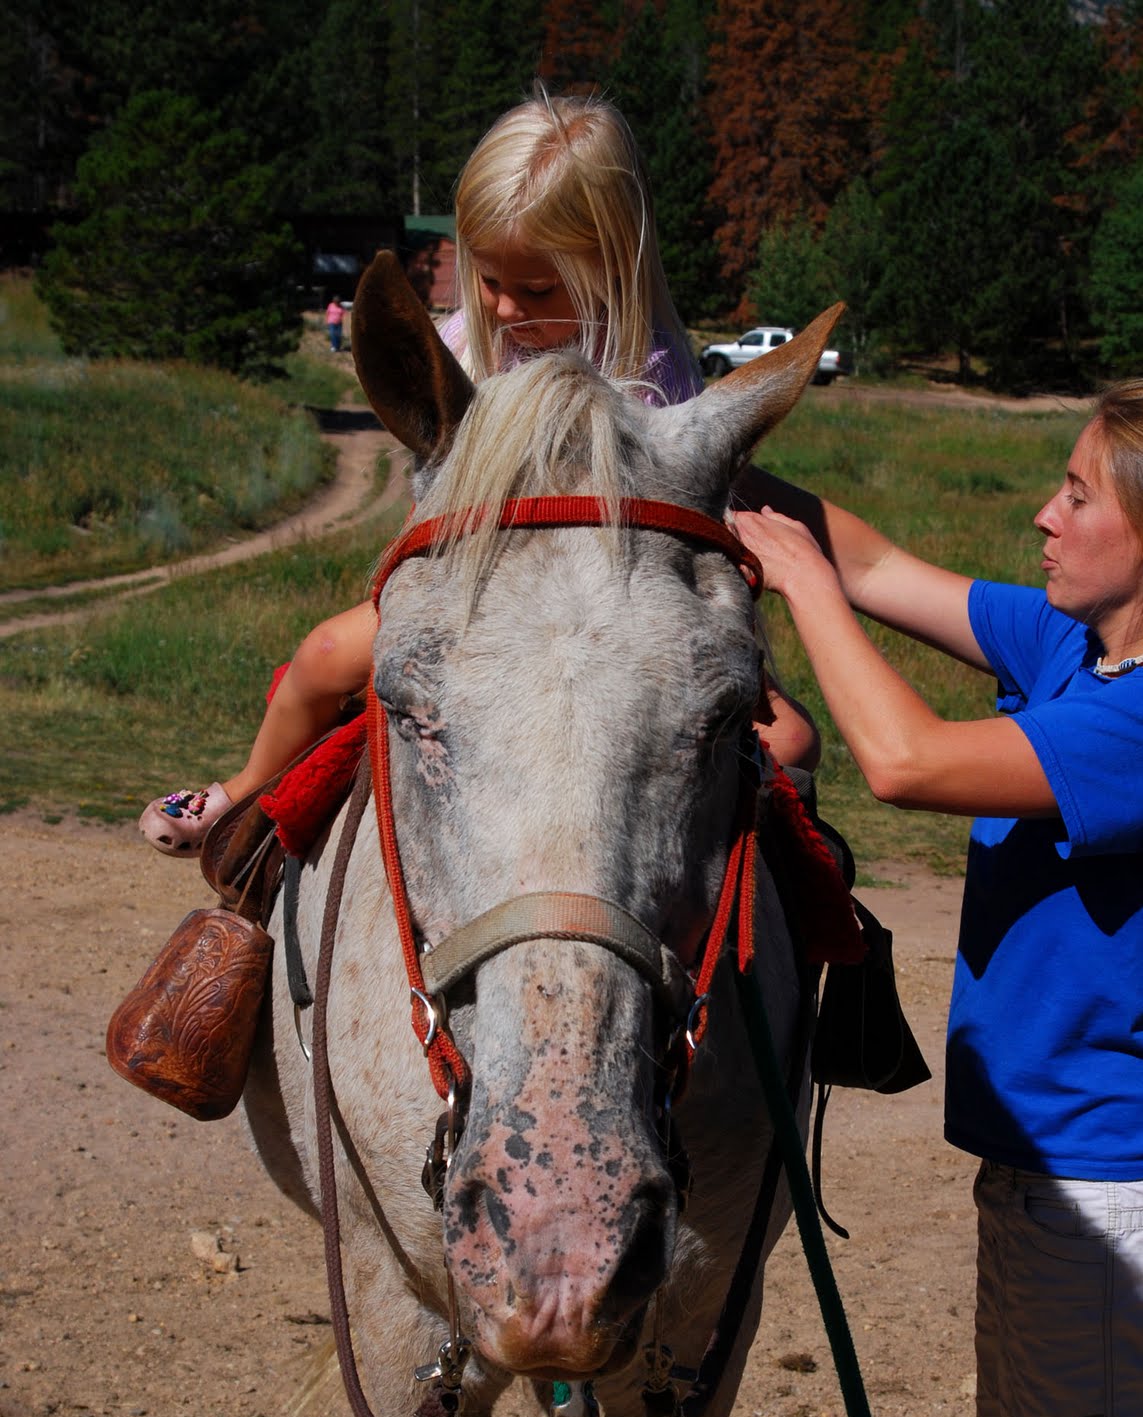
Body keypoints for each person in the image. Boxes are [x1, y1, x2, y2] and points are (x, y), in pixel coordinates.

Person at [140, 90, 818, 855]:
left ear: (612, 261)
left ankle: (749, 899)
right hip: (470, 591)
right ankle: (246, 793)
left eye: (536, 289)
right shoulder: (467, 339)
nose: (502, 308)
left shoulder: (649, 375)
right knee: (323, 657)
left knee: (790, 742)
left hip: (609, 610)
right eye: (487, 278)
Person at [731, 384, 1143, 1417]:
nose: (1043, 515)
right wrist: (694, 439)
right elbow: (879, 563)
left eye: (1078, 494)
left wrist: (800, 589)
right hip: (1038, 1184)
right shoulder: (1075, 643)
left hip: (1109, 1199)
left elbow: (905, 763)